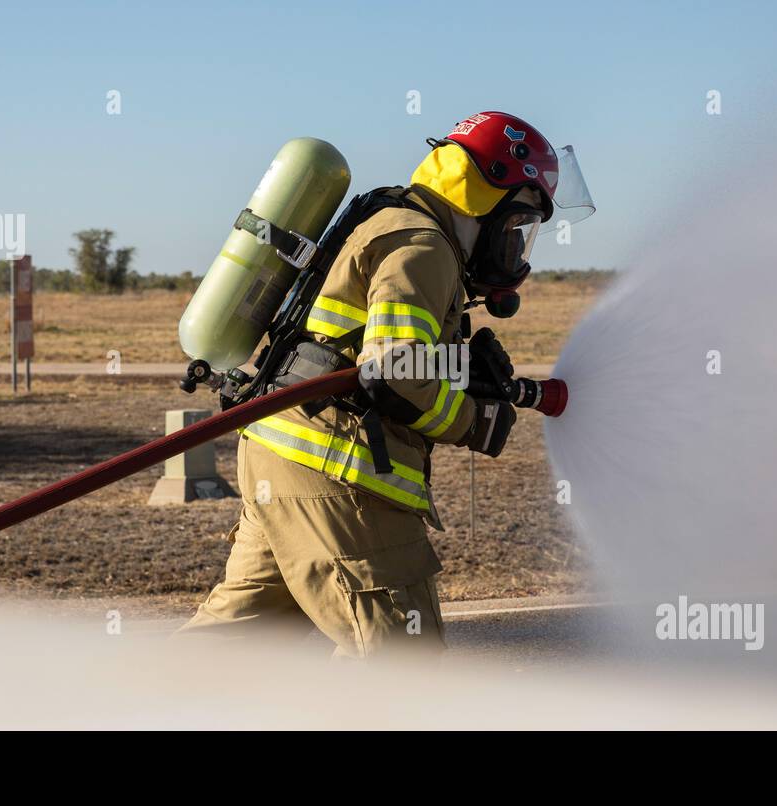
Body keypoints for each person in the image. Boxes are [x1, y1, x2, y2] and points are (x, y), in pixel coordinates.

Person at [176, 112, 594, 657]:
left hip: (283, 457)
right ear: (485, 196)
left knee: (230, 650)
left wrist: (460, 372)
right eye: (516, 224)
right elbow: (394, 376)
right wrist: (475, 421)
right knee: (404, 663)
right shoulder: (424, 247)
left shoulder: (392, 222)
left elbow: (364, 349)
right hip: (340, 475)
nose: (516, 246)